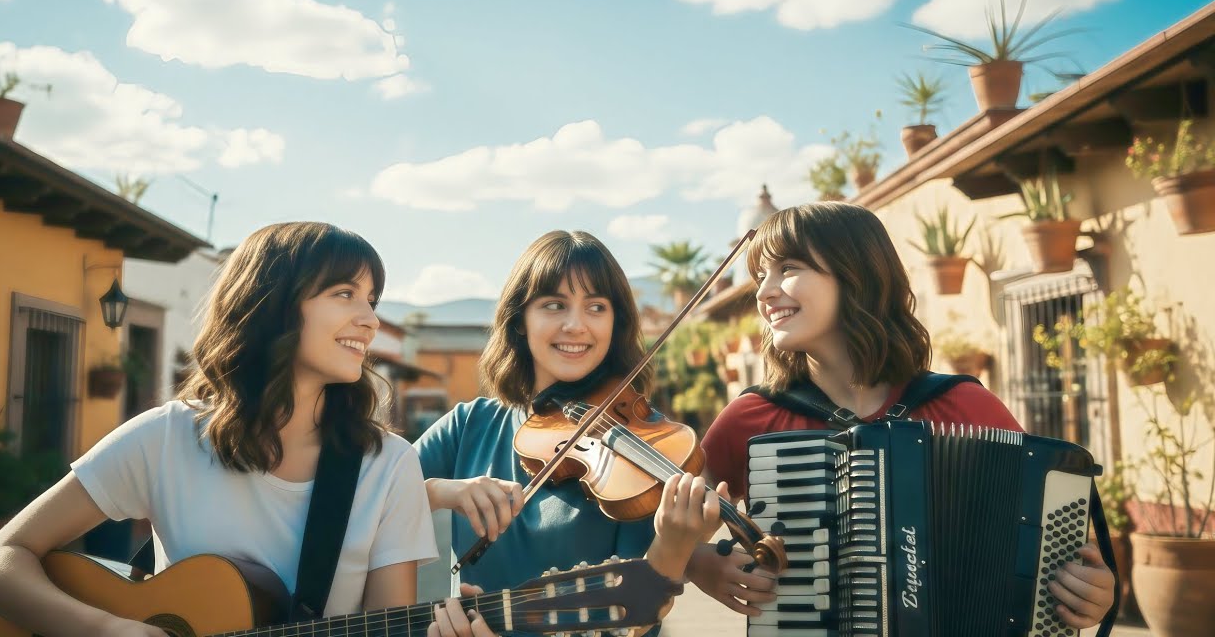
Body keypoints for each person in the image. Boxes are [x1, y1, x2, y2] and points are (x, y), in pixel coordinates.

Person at [0, 222, 489, 637]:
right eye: (344, 293)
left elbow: (385, 626)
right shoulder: (168, 437)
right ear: (273, 304)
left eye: (372, 300)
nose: (370, 320)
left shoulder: (387, 465)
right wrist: (104, 628)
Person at [688, 202, 1117, 632]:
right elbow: (663, 534)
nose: (764, 293)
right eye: (761, 275)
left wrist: (1090, 592)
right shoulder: (751, 417)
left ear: (856, 275)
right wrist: (696, 563)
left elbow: (1053, 555)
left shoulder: (965, 404)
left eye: (788, 268)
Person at [414, 230, 726, 634]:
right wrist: (444, 491)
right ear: (520, 321)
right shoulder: (469, 424)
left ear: (616, 322)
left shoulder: (638, 445)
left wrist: (676, 545)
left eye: (596, 306)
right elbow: (371, 503)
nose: (576, 325)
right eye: (554, 305)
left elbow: (632, 625)